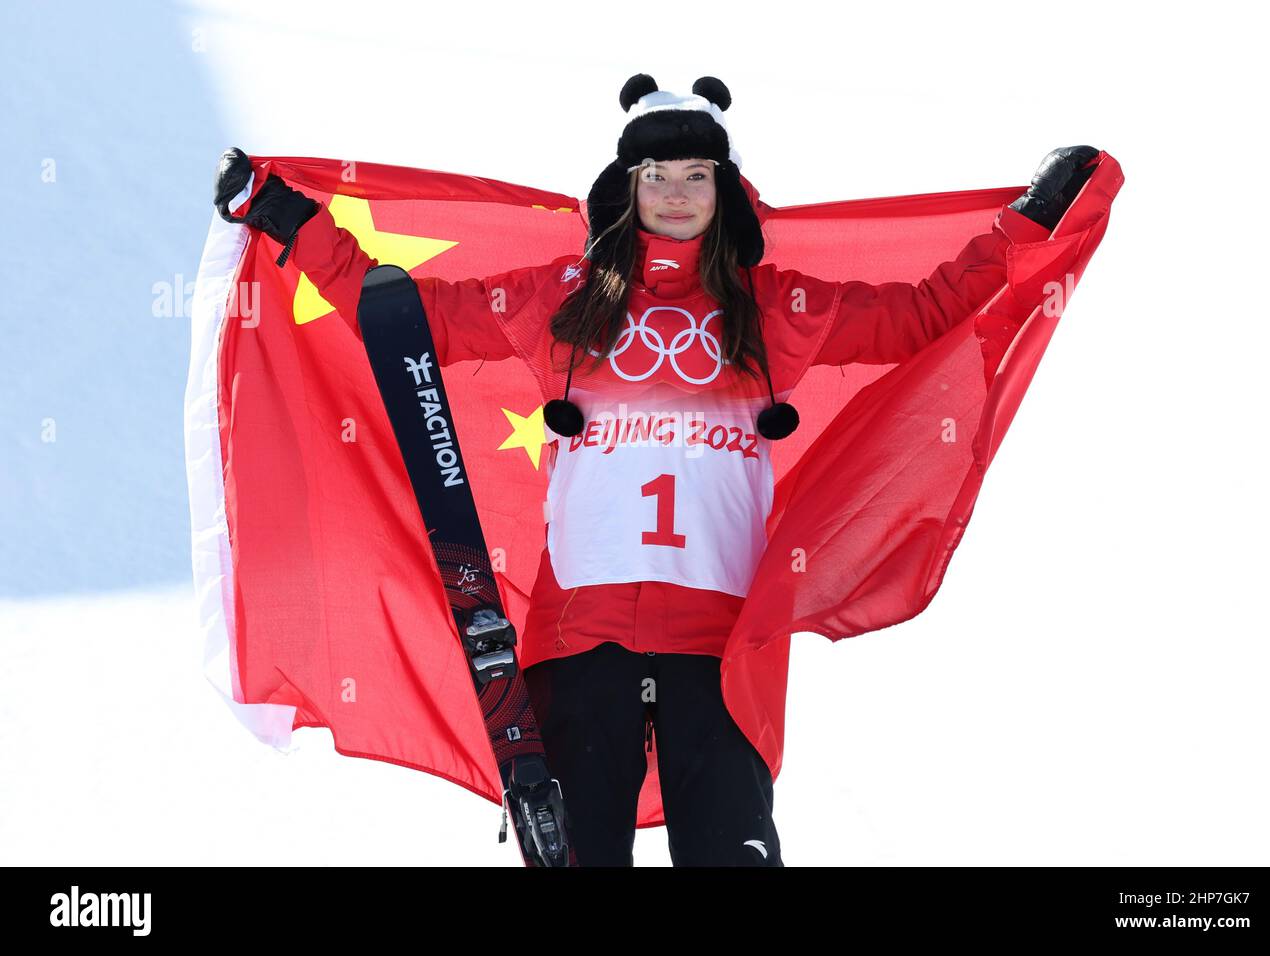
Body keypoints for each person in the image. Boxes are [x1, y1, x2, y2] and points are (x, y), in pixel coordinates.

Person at [213, 73, 1097, 867]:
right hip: (579, 639)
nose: (676, 195)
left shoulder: (775, 310)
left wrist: (1026, 225)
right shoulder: (562, 303)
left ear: (725, 189)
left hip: (718, 647)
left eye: (696, 176)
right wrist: (289, 219)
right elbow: (404, 317)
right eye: (657, 177)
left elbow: (926, 314)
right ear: (627, 189)